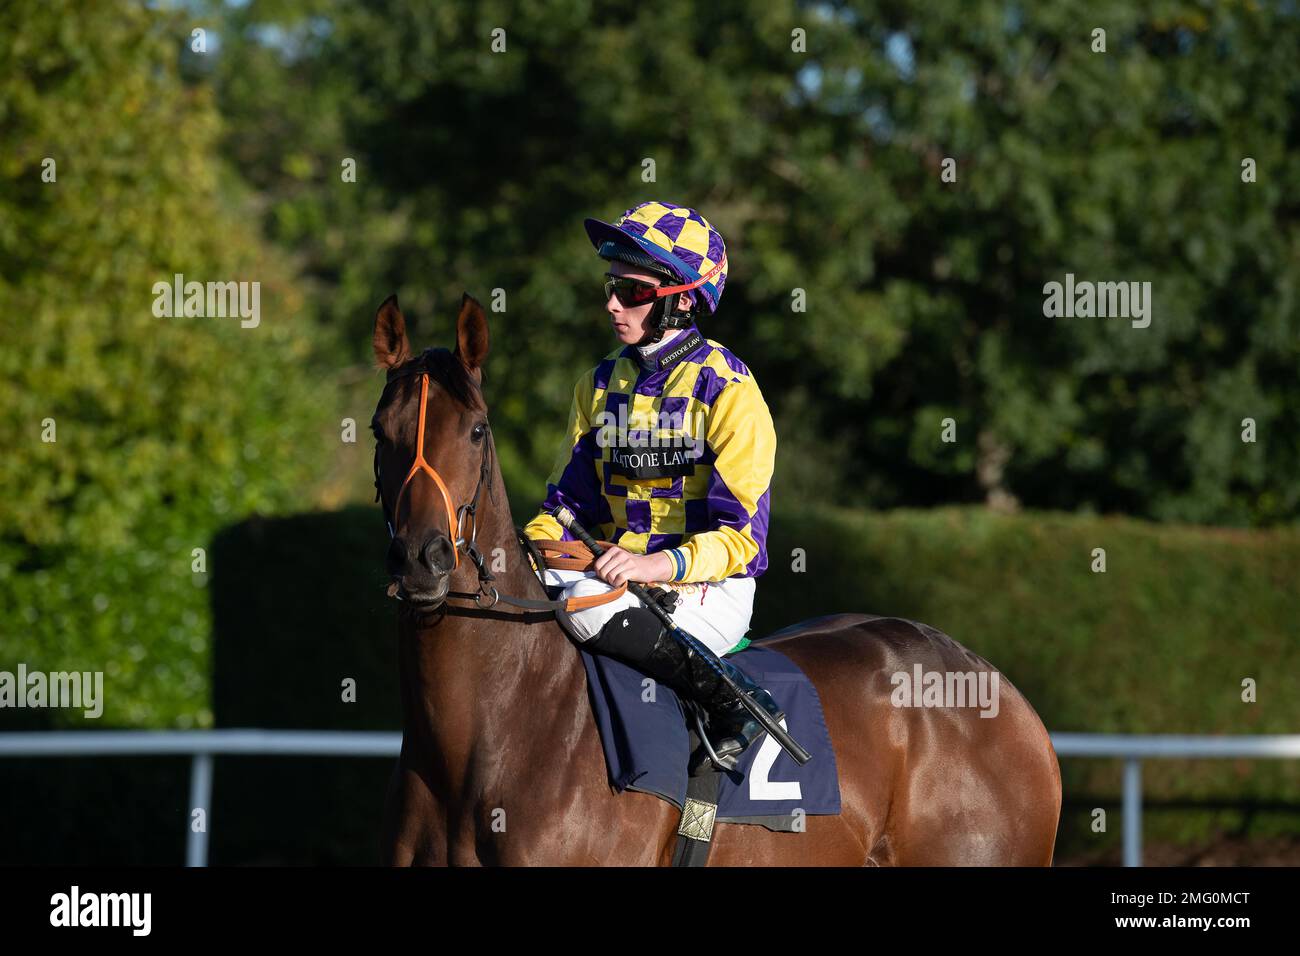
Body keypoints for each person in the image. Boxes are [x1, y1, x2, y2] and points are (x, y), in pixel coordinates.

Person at [523, 200, 782, 766]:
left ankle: (734, 700)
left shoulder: (729, 390)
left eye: (634, 291)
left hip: (709, 585)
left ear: (682, 299)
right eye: (612, 286)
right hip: (611, 569)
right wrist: (529, 546)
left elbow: (743, 539)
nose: (613, 303)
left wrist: (652, 566)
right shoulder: (595, 384)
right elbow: (565, 505)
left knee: (585, 606)